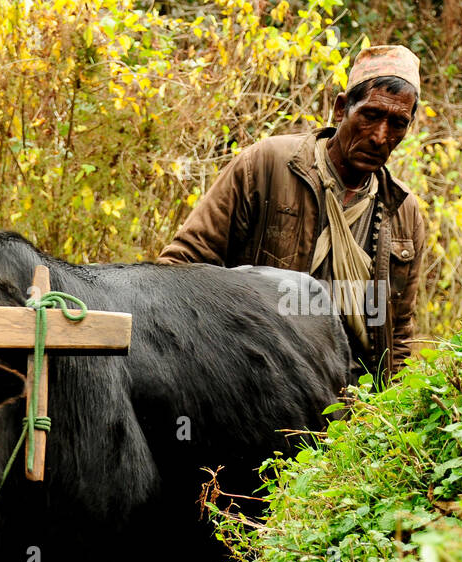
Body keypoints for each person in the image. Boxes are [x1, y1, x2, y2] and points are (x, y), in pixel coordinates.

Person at [158, 45, 427, 385]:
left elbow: (398, 334)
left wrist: (394, 412)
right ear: (342, 107)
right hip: (261, 384)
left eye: (398, 124)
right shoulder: (267, 166)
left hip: (357, 405)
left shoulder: (402, 211)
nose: (379, 137)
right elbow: (180, 268)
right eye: (371, 115)